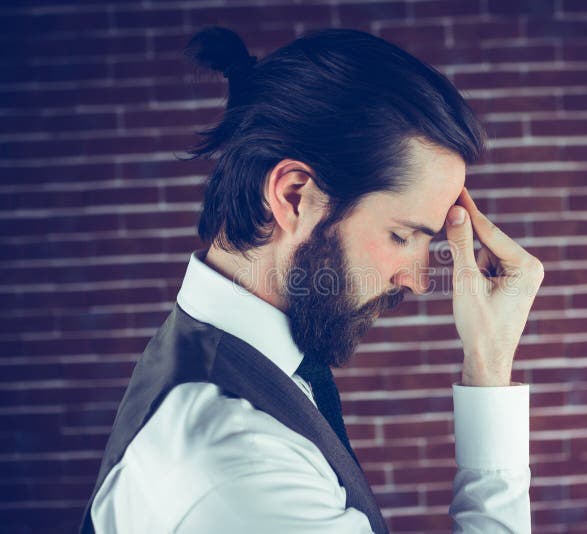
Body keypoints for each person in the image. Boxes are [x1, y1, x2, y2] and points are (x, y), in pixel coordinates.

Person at [79, 26, 544, 533]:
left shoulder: (226, 364)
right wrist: (490, 369)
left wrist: (488, 362)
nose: (416, 279)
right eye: (402, 235)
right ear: (295, 196)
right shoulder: (242, 465)